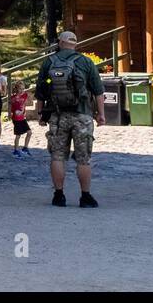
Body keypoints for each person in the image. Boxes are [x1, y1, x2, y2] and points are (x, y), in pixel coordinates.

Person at [36, 31, 105, 207]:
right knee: (83, 158)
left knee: (57, 156)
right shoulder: (85, 62)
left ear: (60, 42)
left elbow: (41, 91)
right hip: (82, 116)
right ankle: (86, 197)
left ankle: (58, 195)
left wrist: (41, 114)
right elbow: (98, 91)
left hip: (57, 116)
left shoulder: (49, 62)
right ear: (75, 44)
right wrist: (101, 114)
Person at [9, 80, 32, 158]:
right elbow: (11, 107)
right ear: (16, 89)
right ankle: (15, 151)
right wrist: (14, 112)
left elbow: (26, 102)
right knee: (18, 135)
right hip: (16, 119)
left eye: (23, 88)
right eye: (20, 89)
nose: (22, 90)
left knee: (29, 132)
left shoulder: (25, 95)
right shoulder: (13, 98)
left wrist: (23, 110)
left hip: (22, 118)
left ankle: (25, 148)